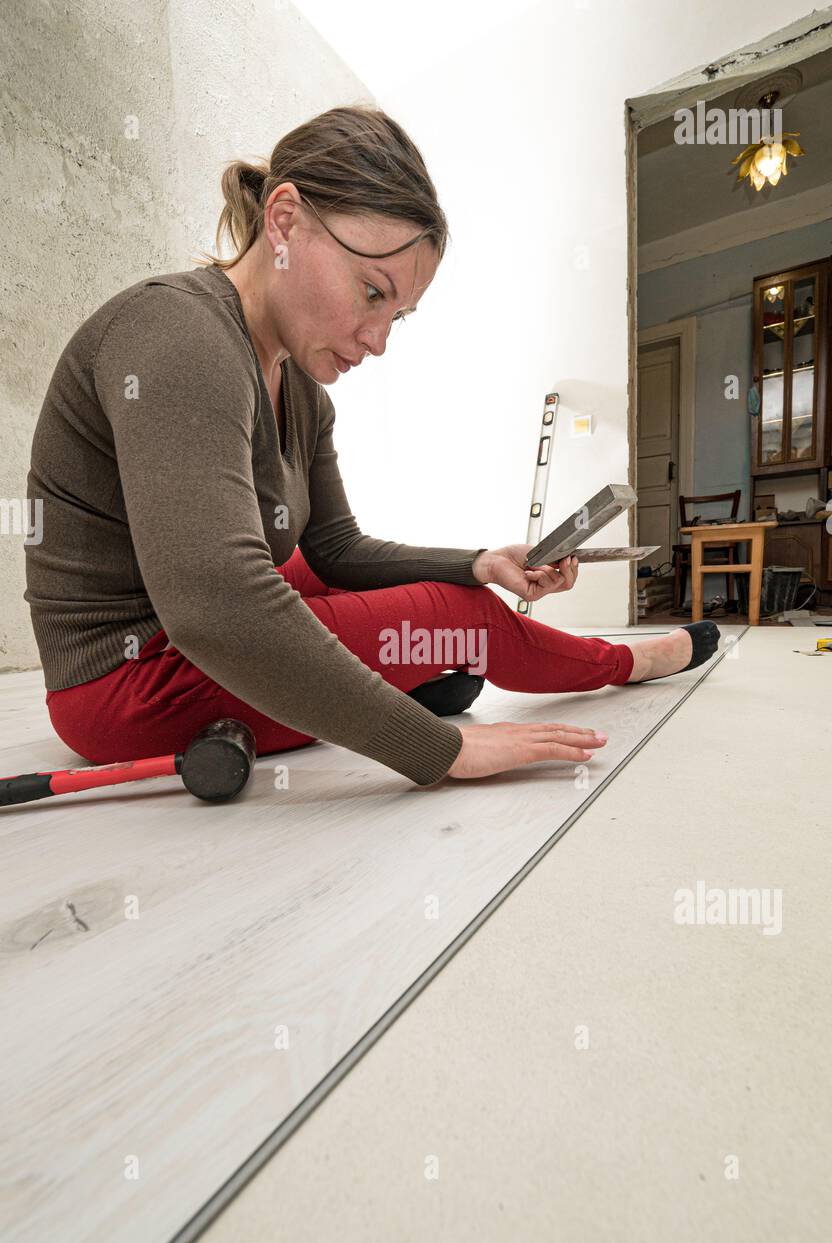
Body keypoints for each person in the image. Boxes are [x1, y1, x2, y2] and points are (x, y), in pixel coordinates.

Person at [24, 105, 719, 790]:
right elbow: (218, 608)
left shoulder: (301, 391)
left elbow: (339, 551)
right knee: (458, 619)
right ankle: (618, 664)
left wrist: (477, 562)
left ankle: (429, 666)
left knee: (423, 585)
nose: (378, 340)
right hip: (129, 677)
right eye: (370, 291)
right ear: (285, 219)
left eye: (398, 315)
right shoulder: (177, 334)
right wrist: (437, 749)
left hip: (193, 630)